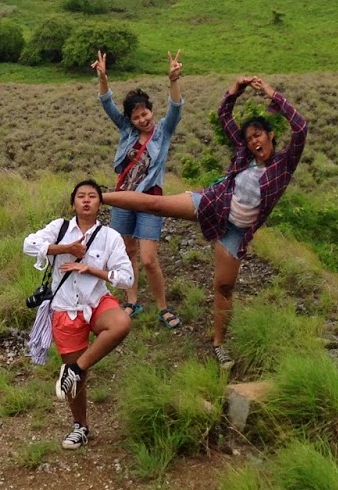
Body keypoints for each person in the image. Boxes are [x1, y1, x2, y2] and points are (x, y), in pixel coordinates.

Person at [103, 76, 307, 367]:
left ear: (271, 135)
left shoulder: (284, 164)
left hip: (235, 231)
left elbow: (301, 126)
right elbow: (224, 115)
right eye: (249, 138)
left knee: (223, 287)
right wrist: (234, 91)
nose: (253, 141)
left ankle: (219, 344)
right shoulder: (243, 153)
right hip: (213, 203)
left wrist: (271, 93)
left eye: (258, 135)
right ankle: (99, 196)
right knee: (155, 204)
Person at [22, 179, 134, 450]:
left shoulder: (110, 237)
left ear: (100, 204)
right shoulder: (59, 228)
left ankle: (74, 369)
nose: (86, 200)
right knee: (77, 383)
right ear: (73, 202)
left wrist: (92, 270)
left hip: (95, 301)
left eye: (92, 196)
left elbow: (127, 277)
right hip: (64, 307)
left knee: (121, 323)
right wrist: (66, 249)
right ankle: (80, 427)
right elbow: (28, 244)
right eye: (81, 196)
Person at [92, 48, 184, 328]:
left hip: (150, 200)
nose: (142, 120)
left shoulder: (163, 131)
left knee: (149, 259)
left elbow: (176, 107)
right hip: (123, 198)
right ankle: (132, 301)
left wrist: (173, 80)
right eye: (136, 117)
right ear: (130, 120)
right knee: (127, 251)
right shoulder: (127, 131)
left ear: (151, 111)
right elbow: (107, 103)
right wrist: (103, 78)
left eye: (145, 114)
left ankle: (163, 307)